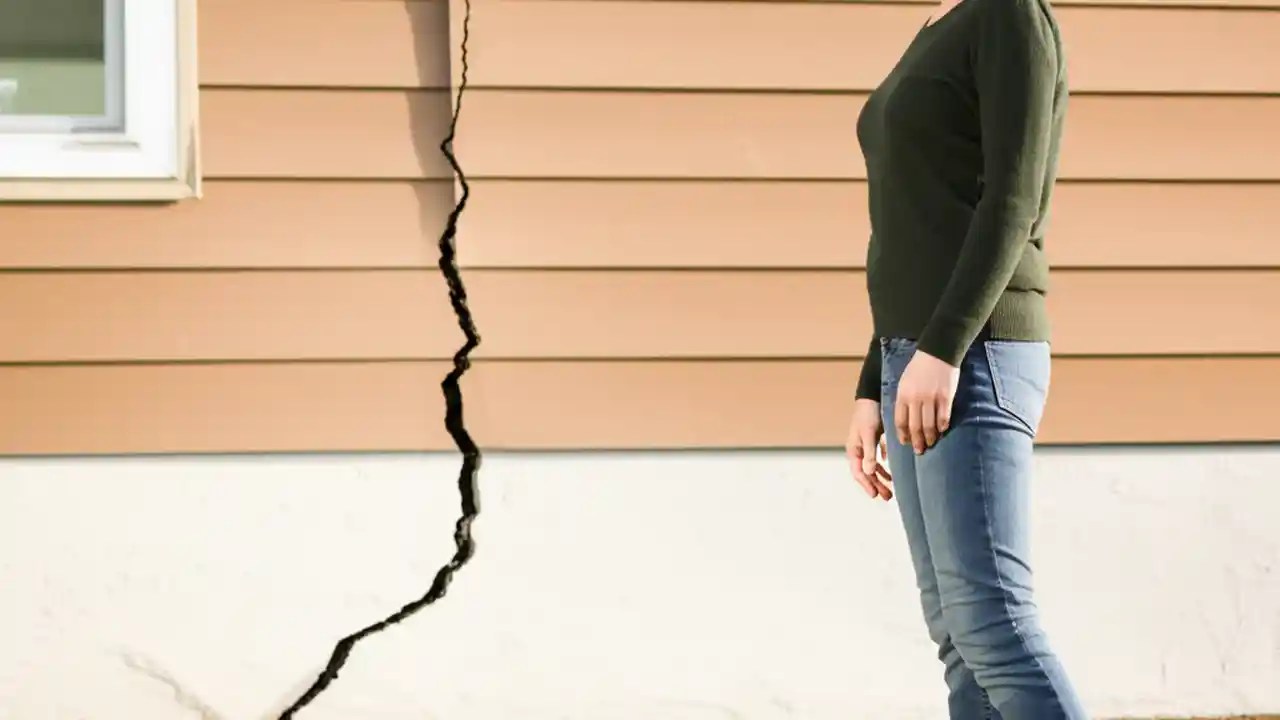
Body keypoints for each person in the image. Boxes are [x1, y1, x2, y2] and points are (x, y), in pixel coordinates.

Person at [844, 0, 1088, 717]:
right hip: (917, 355)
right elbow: (920, 225)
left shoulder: (1008, 14)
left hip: (973, 353)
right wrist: (871, 382)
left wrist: (943, 348)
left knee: (994, 627)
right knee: (959, 637)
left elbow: (1013, 201)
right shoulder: (939, 22)